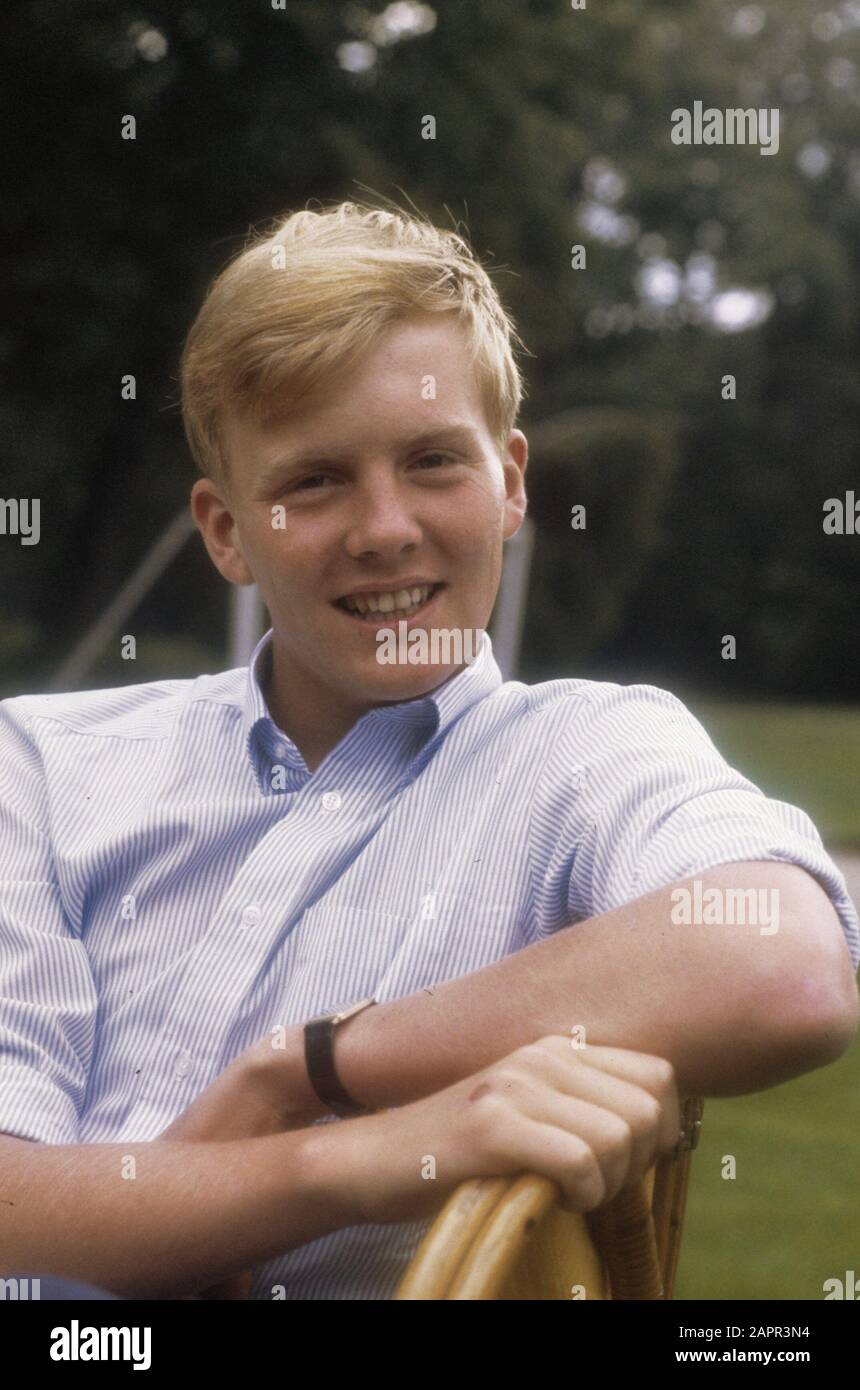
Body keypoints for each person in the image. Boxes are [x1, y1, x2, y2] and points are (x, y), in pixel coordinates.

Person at [0, 201, 857, 1301]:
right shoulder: (40, 759)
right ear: (224, 530)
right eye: (314, 480)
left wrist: (320, 1062)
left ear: (509, 482)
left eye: (432, 462)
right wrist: (337, 1153)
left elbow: (780, 965)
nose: (385, 526)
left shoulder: (586, 755)